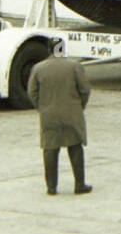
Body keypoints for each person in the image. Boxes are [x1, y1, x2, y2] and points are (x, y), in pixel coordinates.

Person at [28, 40, 93, 196]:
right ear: (63, 49)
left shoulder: (38, 68)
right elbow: (85, 89)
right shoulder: (75, 66)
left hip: (48, 113)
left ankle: (51, 187)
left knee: (50, 148)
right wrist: (80, 105)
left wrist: (41, 107)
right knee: (75, 146)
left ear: (49, 49)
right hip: (72, 112)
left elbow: (31, 92)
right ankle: (79, 185)